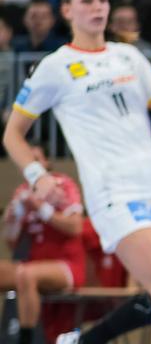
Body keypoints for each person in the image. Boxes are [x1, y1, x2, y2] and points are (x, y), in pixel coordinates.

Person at [4, 0, 151, 344]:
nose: (98, 7)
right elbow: (12, 133)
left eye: (103, 0)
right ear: (67, 10)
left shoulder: (128, 56)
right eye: (88, 1)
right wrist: (37, 176)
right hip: (113, 190)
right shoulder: (56, 66)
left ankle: (81, 342)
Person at [0, 144, 87, 344]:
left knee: (26, 274)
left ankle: (26, 339)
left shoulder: (63, 185)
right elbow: (12, 245)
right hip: (32, 265)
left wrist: (41, 208)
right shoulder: (22, 191)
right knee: (22, 272)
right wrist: (13, 221)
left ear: (46, 162)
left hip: (67, 266)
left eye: (36, 160)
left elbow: (76, 227)